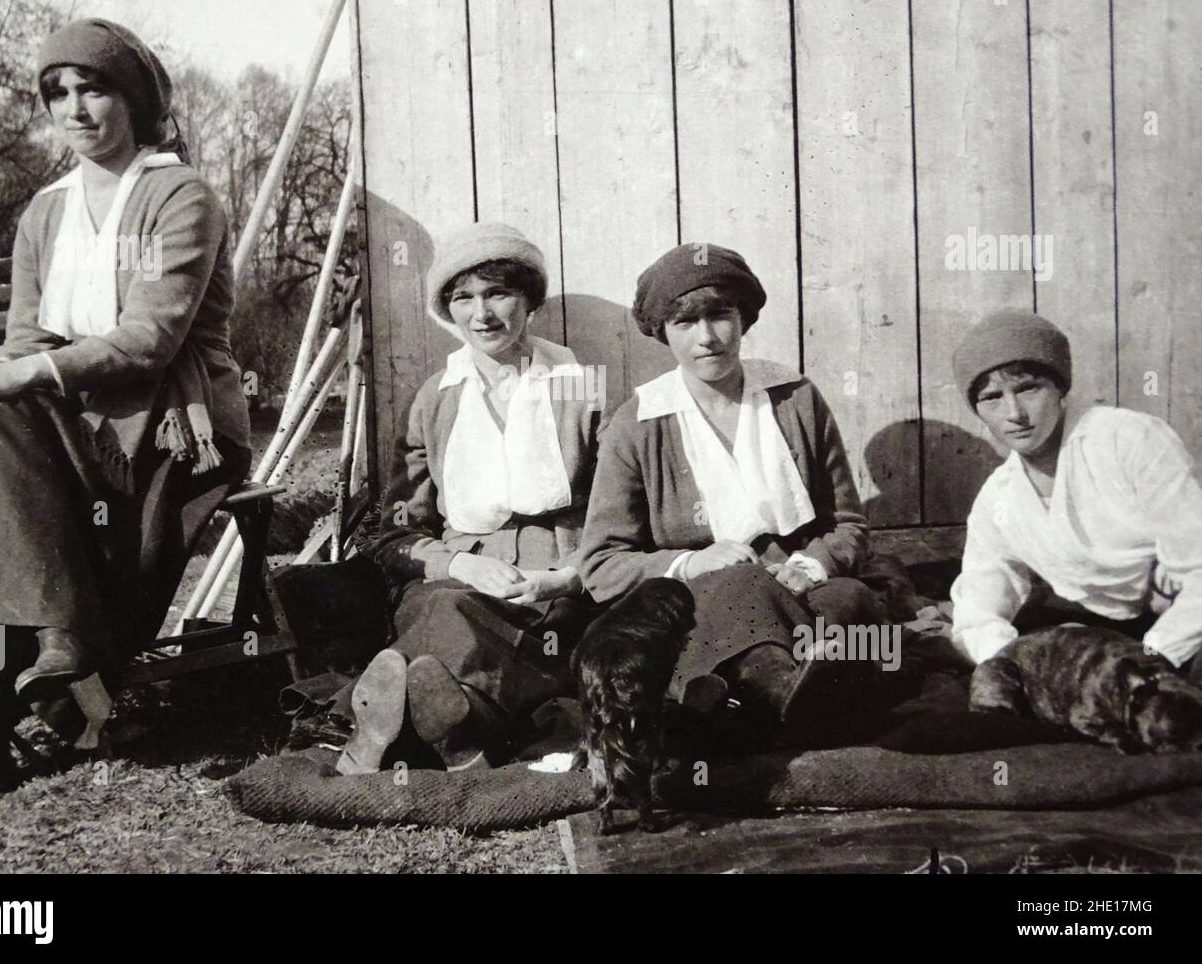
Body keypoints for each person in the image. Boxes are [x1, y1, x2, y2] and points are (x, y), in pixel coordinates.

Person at [0, 19, 251, 797]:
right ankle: (20, 679)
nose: (75, 109)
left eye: (94, 88)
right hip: (75, 433)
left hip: (175, 429)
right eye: (58, 94)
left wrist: (19, 374)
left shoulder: (180, 195)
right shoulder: (46, 212)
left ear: (135, 99)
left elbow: (149, 340)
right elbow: (26, 339)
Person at [578, 243, 891, 743]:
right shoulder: (637, 424)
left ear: (743, 318)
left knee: (853, 600)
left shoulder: (795, 399)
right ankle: (784, 694)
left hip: (802, 587)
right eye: (685, 324)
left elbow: (847, 524)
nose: (707, 338)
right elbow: (600, 564)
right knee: (742, 590)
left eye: (719, 315)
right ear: (663, 334)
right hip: (702, 605)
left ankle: (777, 704)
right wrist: (688, 564)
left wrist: (809, 565)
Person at [336, 222, 601, 774]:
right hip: (458, 584)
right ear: (448, 311)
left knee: (463, 631)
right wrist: (457, 563)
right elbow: (394, 534)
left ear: (529, 300)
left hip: (554, 595)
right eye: (464, 298)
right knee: (446, 605)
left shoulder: (579, 386)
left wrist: (566, 575)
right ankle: (458, 731)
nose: (482, 314)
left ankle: (413, 726)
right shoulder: (435, 400)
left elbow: (622, 519)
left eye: (498, 293)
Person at [949, 311, 1202, 679]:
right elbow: (976, 615)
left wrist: (1152, 655)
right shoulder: (998, 499)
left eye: (1028, 388)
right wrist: (1025, 666)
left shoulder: (1129, 441)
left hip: (1181, 625)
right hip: (1104, 632)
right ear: (979, 412)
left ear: (1060, 389)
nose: (1014, 413)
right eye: (992, 398)